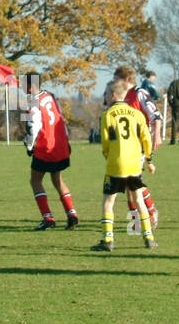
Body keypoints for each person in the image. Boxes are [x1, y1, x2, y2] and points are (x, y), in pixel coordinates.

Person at [91, 76, 156, 252]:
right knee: (138, 199)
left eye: (106, 94)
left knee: (108, 201)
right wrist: (148, 159)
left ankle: (107, 239)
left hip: (116, 164)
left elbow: (105, 142)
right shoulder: (136, 114)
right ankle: (149, 237)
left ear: (113, 95)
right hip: (135, 164)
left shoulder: (107, 115)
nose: (105, 96)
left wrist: (108, 156)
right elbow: (146, 138)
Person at [24, 73, 78, 230]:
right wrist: (66, 139)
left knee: (35, 180)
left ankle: (47, 217)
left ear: (31, 85)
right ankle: (72, 214)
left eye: (24, 85)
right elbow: (61, 118)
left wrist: (29, 145)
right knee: (57, 180)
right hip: (60, 145)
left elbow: (34, 126)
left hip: (45, 147)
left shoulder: (34, 101)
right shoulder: (51, 96)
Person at [114, 65, 161, 228]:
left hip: (139, 144)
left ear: (126, 79)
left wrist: (157, 135)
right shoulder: (121, 97)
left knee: (132, 181)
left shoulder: (139, 93)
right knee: (128, 184)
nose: (115, 82)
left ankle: (150, 212)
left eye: (117, 78)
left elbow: (156, 115)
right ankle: (137, 218)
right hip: (126, 145)